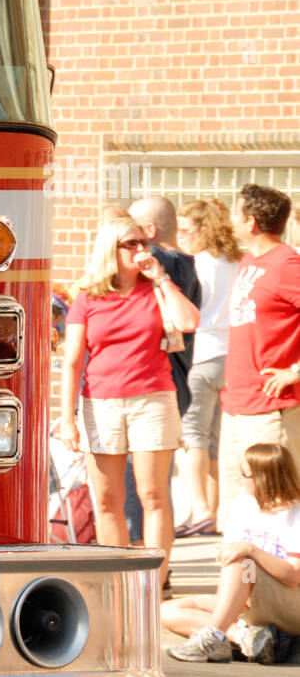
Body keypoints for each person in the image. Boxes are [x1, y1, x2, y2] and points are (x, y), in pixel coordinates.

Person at [60, 214, 200, 587]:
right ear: (112, 249)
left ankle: (154, 584)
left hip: (152, 399)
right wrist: (68, 416)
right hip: (100, 403)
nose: (142, 250)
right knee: (107, 501)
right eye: (132, 244)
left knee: (153, 495)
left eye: (144, 243)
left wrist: (162, 278)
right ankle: (117, 585)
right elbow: (72, 361)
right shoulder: (88, 297)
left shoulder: (154, 289)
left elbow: (188, 321)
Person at [162, 442, 300, 662]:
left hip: (287, 599)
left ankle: (214, 637)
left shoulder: (295, 513)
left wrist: (251, 550)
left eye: (245, 474)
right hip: (247, 598)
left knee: (242, 560)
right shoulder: (243, 505)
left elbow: (293, 576)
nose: (241, 480)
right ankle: (247, 637)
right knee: (166, 611)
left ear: (263, 477)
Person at [121, 196, 200, 551]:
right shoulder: (177, 266)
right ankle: (153, 564)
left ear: (149, 232)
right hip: (160, 384)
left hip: (160, 386)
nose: (130, 247)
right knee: (151, 483)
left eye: (135, 236)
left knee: (144, 486)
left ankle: (146, 561)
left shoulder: (174, 264)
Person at [218, 184, 300, 512]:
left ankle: (281, 565)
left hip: (270, 408)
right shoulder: (249, 260)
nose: (232, 221)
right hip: (237, 403)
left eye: (235, 213)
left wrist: (295, 372)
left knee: (275, 504)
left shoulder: (287, 263)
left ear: (251, 222)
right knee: (240, 506)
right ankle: (244, 564)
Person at [173, 198, 243, 536]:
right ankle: (212, 514)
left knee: (192, 437)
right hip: (230, 356)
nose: (182, 235)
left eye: (187, 229)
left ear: (203, 228)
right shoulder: (235, 261)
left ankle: (198, 509)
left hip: (201, 354)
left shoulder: (198, 262)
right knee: (212, 440)